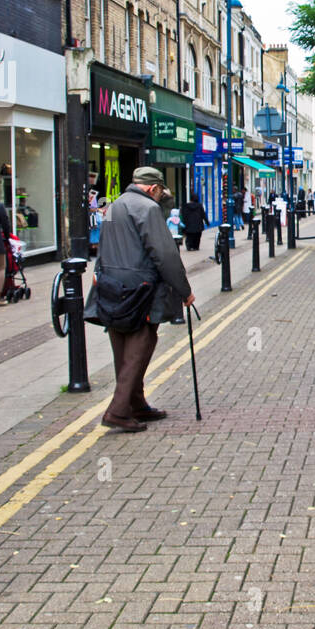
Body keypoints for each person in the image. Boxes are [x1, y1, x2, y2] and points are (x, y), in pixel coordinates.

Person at [86, 166, 194, 432]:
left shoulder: (114, 206)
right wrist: (184, 290)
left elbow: (103, 246)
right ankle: (118, 411)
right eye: (160, 191)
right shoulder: (148, 209)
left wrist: (99, 276)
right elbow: (165, 254)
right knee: (141, 345)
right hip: (141, 289)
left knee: (122, 348)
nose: (161, 197)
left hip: (111, 287)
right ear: (153, 188)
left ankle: (136, 404)